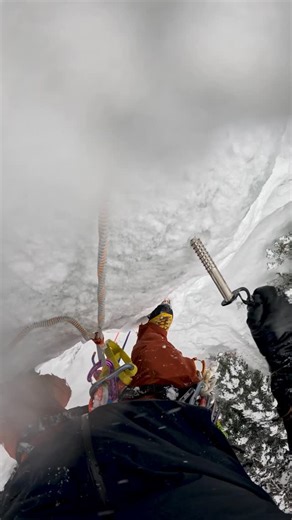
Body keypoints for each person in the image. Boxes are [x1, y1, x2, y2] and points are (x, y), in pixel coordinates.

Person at [0, 286, 291, 519]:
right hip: (166, 443)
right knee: (158, 363)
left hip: (47, 478)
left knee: (18, 402)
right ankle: (154, 330)